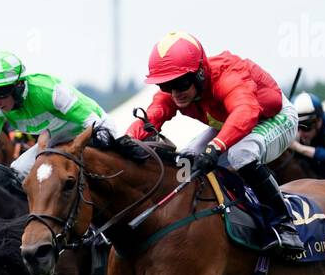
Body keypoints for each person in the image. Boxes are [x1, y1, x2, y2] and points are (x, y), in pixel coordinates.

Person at [125, 30, 304, 257]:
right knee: (187, 158)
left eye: (180, 83)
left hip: (274, 117)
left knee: (241, 154)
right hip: (230, 120)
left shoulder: (228, 76)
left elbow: (245, 112)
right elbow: (152, 116)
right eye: (166, 86)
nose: (175, 93)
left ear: (200, 73)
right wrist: (123, 142)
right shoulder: (175, 92)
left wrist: (216, 147)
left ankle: (285, 224)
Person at [0, 50, 116, 179]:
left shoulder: (50, 92)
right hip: (58, 137)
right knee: (17, 172)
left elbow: (93, 122)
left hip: (95, 128)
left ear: (19, 85)